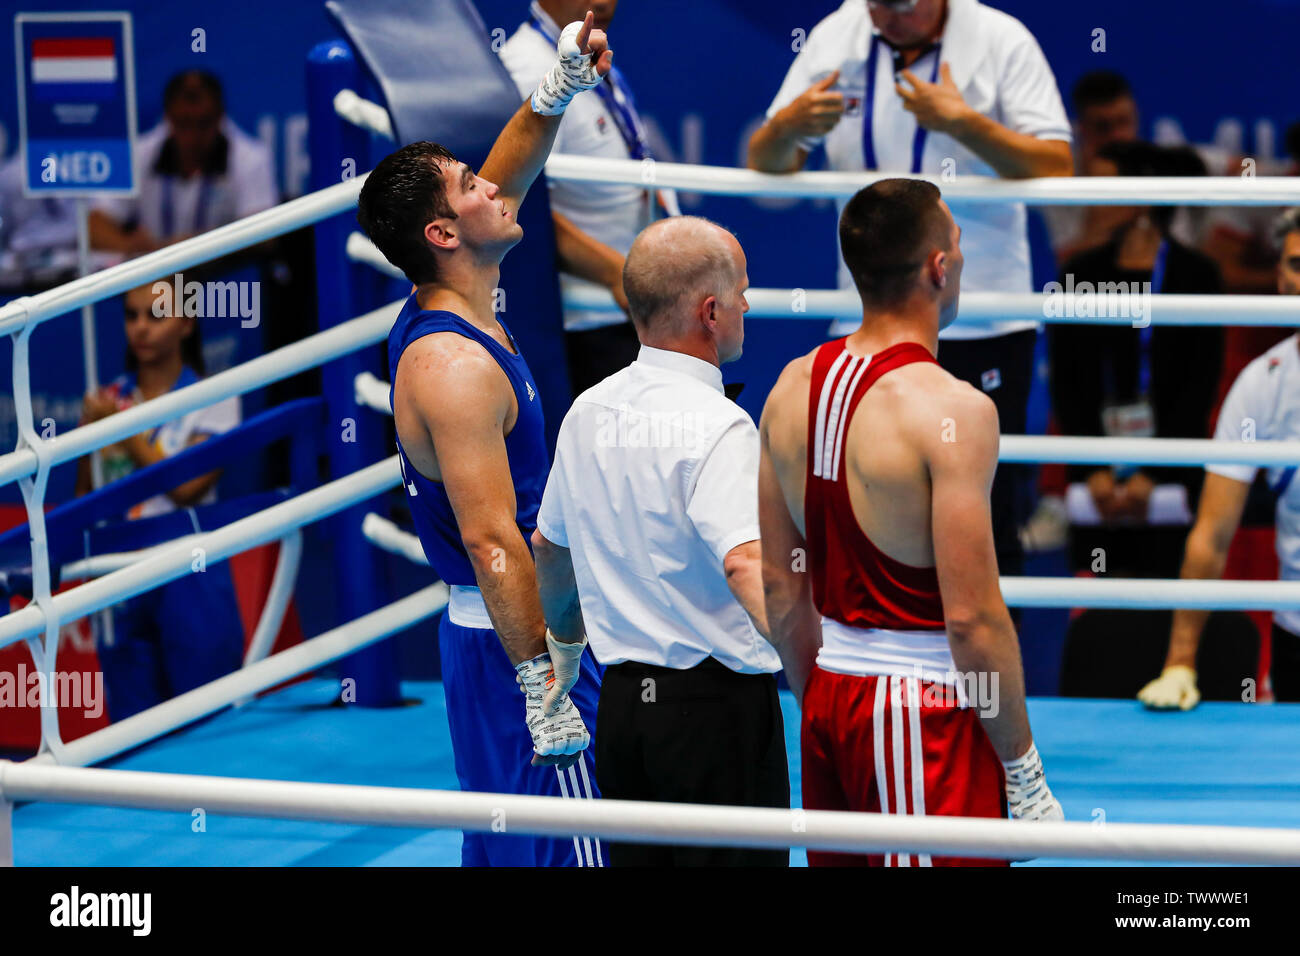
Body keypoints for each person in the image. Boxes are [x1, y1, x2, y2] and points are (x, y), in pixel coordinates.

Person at [356, 13, 609, 867]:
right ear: (442, 234)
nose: (496, 189)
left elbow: (514, 162)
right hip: (522, 642)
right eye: (471, 186)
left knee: (514, 854)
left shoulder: (457, 295)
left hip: (522, 632)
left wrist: (561, 83)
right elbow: (492, 540)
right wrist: (542, 686)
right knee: (561, 856)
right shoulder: (452, 369)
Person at [758, 179, 1062, 867]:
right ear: (940, 266)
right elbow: (972, 620)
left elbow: (780, 585)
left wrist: (831, 695)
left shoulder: (790, 386)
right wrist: (1023, 768)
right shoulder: (953, 412)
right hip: (921, 718)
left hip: (829, 696)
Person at [747, 0, 1072, 599]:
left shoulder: (1002, 38)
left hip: (984, 321)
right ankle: (868, 649)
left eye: (904, 5)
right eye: (878, 5)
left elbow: (1056, 164)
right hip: (864, 318)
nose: (889, 17)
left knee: (989, 514)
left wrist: (965, 124)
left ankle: (984, 678)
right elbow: (764, 161)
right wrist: (787, 128)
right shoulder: (835, 34)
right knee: (863, 496)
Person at [532, 216, 788, 867]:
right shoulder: (720, 426)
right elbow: (746, 565)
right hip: (716, 714)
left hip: (622, 711)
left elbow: (550, 549)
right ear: (710, 311)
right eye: (741, 292)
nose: (747, 306)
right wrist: (818, 679)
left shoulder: (588, 410)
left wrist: (564, 653)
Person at [1139, 208, 1300, 710]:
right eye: (1296, 264)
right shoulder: (1262, 385)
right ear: (1279, 279)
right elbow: (1211, 535)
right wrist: (1179, 662)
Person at [1048, 141, 1223, 576]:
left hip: (1171, 484)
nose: (1088, 196)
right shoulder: (1078, 273)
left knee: (1168, 607)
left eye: (1103, 185)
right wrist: (1092, 470)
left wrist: (1156, 470)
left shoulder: (1195, 275)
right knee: (1098, 606)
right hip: (1097, 486)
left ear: (1143, 196)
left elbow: (1199, 386)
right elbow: (1067, 383)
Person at [76, 283, 243, 720]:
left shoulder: (217, 395)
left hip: (191, 568)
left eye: (155, 315)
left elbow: (187, 487)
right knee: (134, 730)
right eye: (132, 316)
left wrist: (121, 431)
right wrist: (88, 435)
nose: (141, 329)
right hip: (120, 571)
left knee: (207, 722)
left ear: (186, 323)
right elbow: (85, 497)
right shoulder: (106, 400)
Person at [500, 0, 675, 395]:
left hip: (631, 303)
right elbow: (519, 202)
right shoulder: (526, 67)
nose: (604, 1)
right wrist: (617, 274)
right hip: (593, 321)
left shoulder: (587, 51)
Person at [89, 70, 277, 256]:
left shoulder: (251, 158)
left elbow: (264, 237)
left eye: (203, 123)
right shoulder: (139, 155)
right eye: (184, 123)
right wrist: (130, 245)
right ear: (167, 118)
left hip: (222, 276)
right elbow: (94, 225)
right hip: (154, 269)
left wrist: (197, 245)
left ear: (221, 118)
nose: (193, 137)